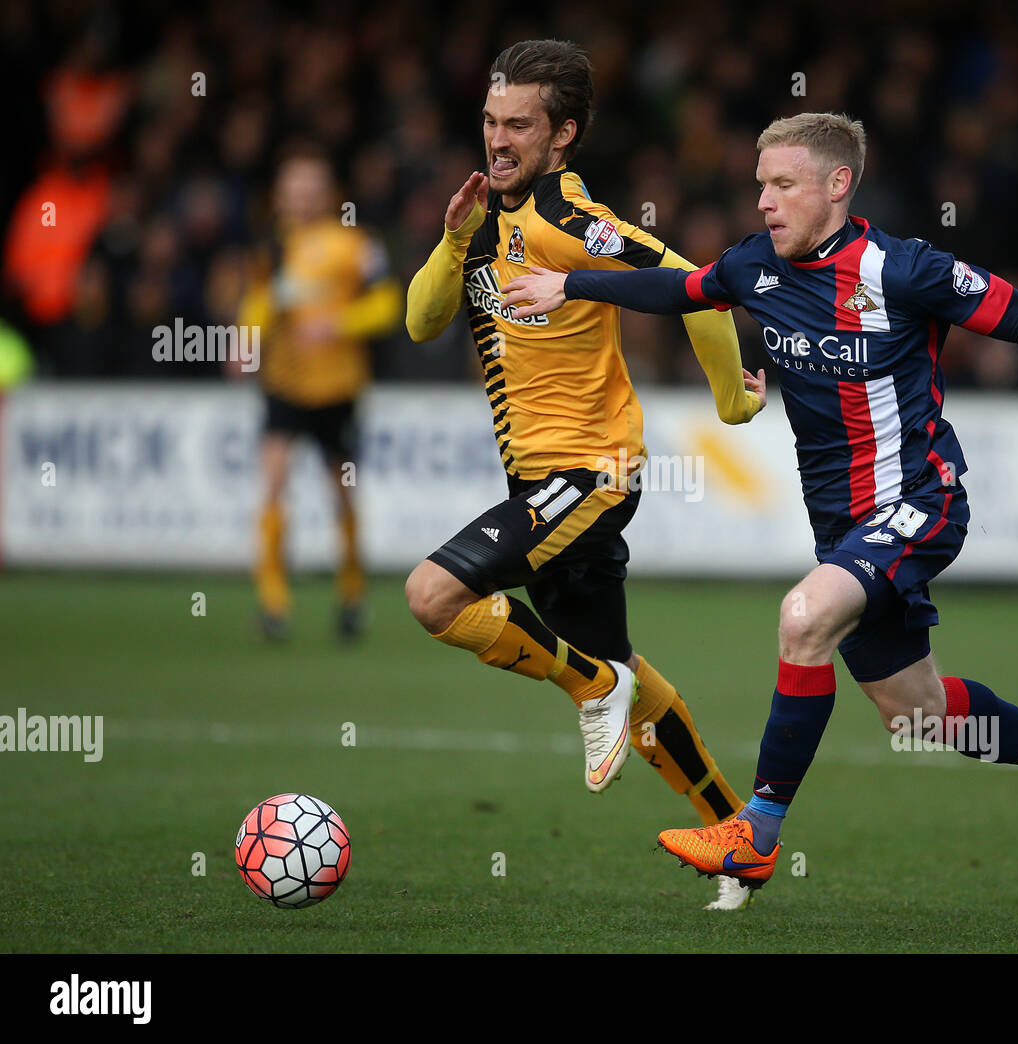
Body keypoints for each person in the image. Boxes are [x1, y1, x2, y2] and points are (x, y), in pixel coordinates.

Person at [502, 112, 1018, 890]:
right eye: (760, 186)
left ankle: (756, 832)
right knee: (916, 713)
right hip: (845, 528)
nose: (764, 203)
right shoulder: (755, 266)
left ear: (837, 184)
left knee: (803, 616)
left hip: (921, 499)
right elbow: (681, 289)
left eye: (782, 185)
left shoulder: (902, 268)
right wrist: (570, 283)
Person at [404, 40, 763, 909]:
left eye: (519, 124)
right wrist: (453, 241)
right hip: (545, 482)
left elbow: (692, 283)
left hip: (591, 472)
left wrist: (732, 402)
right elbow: (421, 322)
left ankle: (593, 689)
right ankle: (737, 840)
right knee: (621, 663)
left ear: (562, 135)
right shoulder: (483, 217)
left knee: (432, 595)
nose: (498, 138)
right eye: (490, 120)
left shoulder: (569, 219)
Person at [237, 145, 401, 640]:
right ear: (282, 197)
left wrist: (341, 324)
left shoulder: (355, 245)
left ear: (327, 194)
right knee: (272, 482)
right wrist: (247, 342)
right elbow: (261, 302)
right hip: (285, 385)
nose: (301, 198)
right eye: (292, 189)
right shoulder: (272, 248)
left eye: (310, 189)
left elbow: (389, 305)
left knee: (343, 495)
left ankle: (351, 594)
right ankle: (273, 604)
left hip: (337, 389)